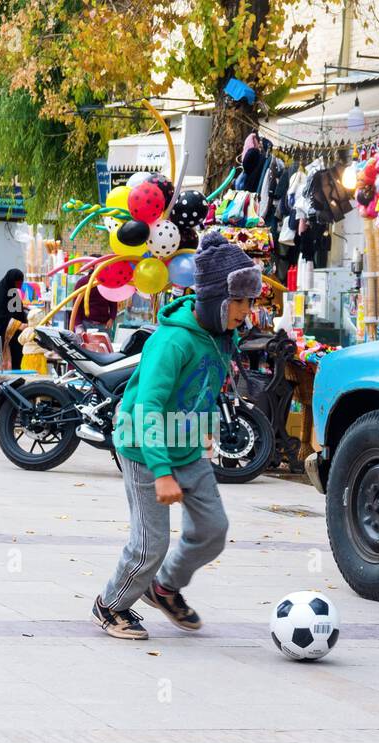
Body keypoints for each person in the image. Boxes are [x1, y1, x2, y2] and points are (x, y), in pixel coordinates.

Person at [93, 232, 261, 640]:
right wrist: (162, 472)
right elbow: (148, 407)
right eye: (239, 301)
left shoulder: (222, 337)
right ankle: (111, 605)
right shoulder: (172, 341)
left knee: (213, 530)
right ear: (215, 299)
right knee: (151, 544)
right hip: (143, 447)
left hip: (187, 447)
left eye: (249, 301)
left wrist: (205, 431)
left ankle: (164, 587)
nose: (246, 311)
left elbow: (204, 389)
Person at [0, 268, 26, 370]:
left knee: (17, 360)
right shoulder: (0, 294)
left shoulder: (13, 292)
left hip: (16, 335)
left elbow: (18, 312)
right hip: (4, 334)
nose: (19, 285)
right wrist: (17, 324)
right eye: (17, 282)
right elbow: (0, 317)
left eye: (21, 282)